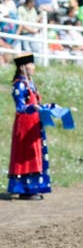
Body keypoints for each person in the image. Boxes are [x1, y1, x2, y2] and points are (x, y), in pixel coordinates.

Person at [7, 53, 51, 200]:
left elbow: (35, 104)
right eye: (30, 65)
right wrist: (34, 108)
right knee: (25, 155)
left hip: (34, 123)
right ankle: (25, 188)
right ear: (22, 67)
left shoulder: (30, 83)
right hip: (25, 123)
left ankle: (34, 187)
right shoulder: (19, 84)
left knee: (34, 153)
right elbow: (20, 107)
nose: (33, 67)